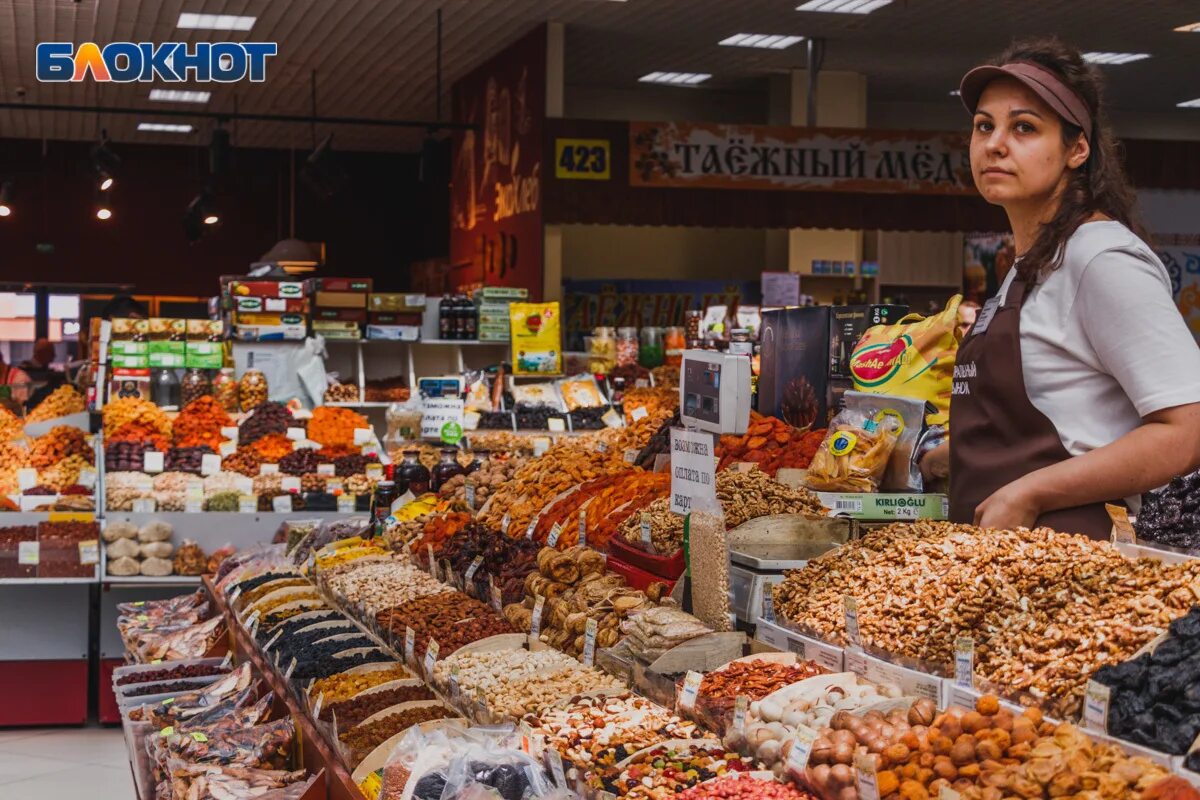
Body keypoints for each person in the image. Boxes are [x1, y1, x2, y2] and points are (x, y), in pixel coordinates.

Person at [922, 38, 1200, 539]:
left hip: (1075, 574)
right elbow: (1062, 413)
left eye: (1024, 127)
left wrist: (1031, 491)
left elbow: (1186, 431)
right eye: (984, 125)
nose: (995, 143)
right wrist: (947, 457)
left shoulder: (1102, 259)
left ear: (1077, 149)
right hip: (997, 573)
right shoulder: (1026, 265)